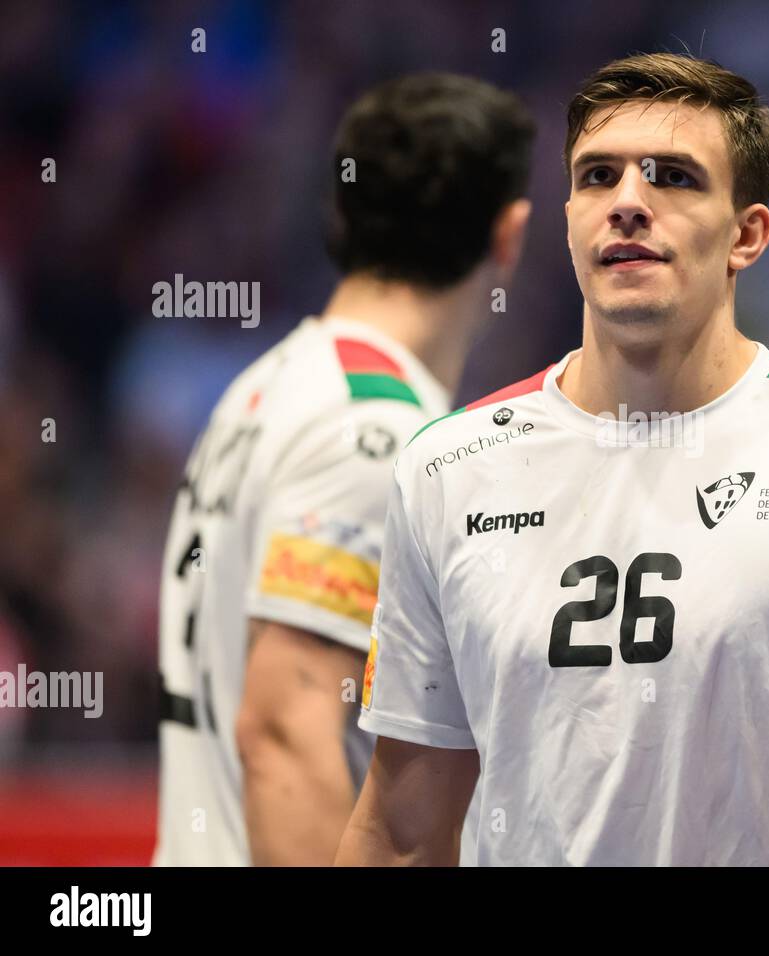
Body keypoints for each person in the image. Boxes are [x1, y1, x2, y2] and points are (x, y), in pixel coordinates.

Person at [339, 53, 769, 866]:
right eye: (598, 177)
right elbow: (401, 828)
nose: (629, 204)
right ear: (568, 215)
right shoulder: (447, 467)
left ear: (747, 234)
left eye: (673, 177)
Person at [153, 72, 534, 865]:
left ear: (342, 213)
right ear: (510, 234)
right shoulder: (377, 431)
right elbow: (288, 730)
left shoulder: (265, 384)